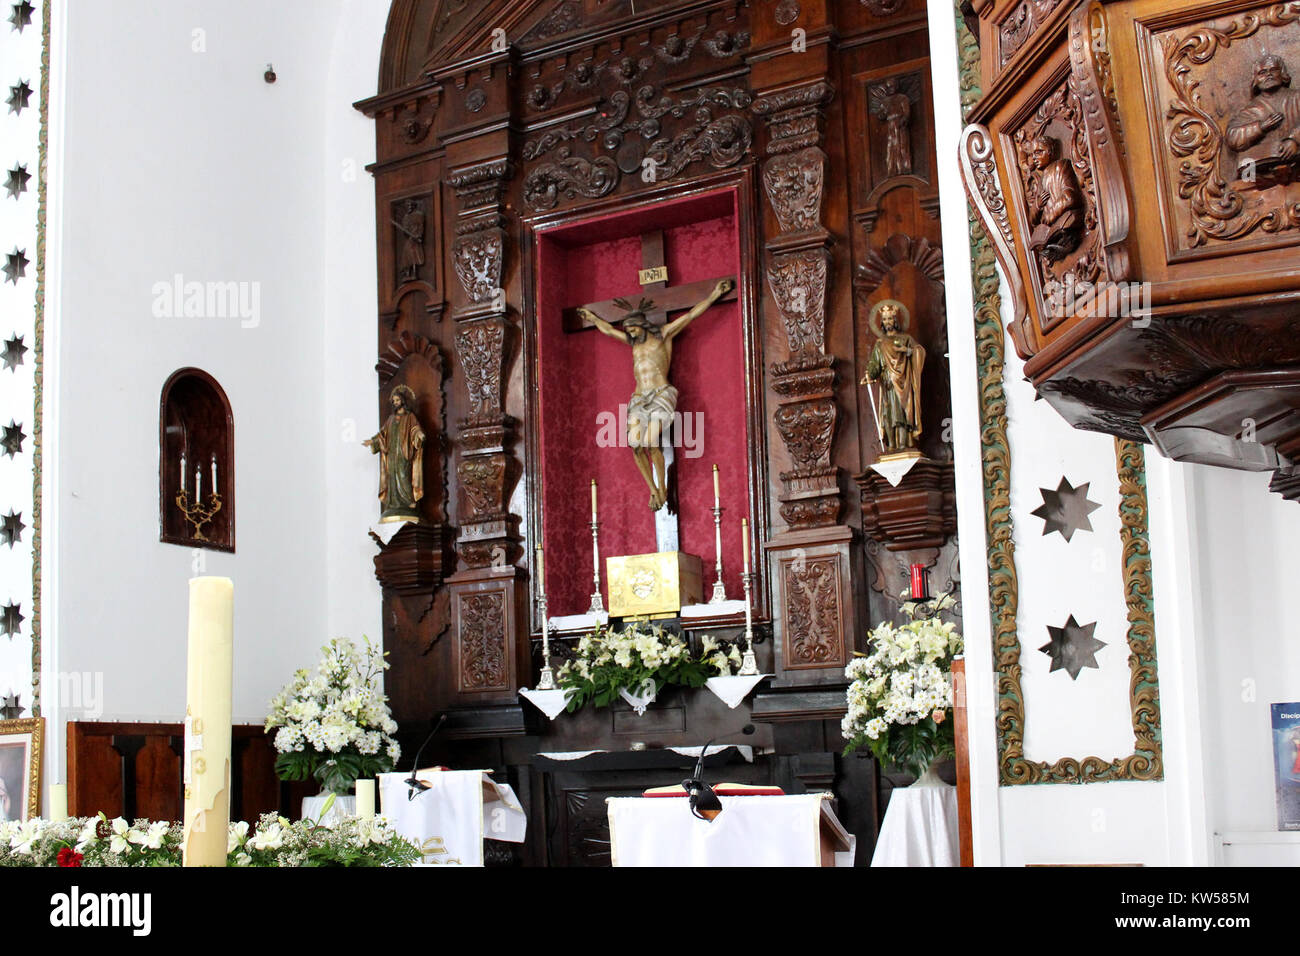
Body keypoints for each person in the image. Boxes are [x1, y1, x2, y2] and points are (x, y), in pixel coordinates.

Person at [579, 279, 732, 511]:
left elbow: (691, 315)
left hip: (661, 394)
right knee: (635, 445)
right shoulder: (633, 343)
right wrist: (592, 318)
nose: (630, 333)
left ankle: (662, 488)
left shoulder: (664, 335)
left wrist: (714, 295)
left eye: (632, 329)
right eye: (628, 330)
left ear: (642, 325)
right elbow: (609, 330)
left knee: (650, 441)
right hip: (639, 399)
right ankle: (653, 489)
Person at [364, 384, 426, 523]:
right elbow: (382, 434)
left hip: (404, 454)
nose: (395, 403)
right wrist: (372, 441)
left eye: (397, 400)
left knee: (404, 475)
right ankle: (394, 504)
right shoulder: (391, 419)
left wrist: (419, 435)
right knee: (392, 477)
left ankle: (408, 501)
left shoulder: (410, 417)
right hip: (392, 454)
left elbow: (415, 430)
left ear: (403, 401)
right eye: (394, 401)